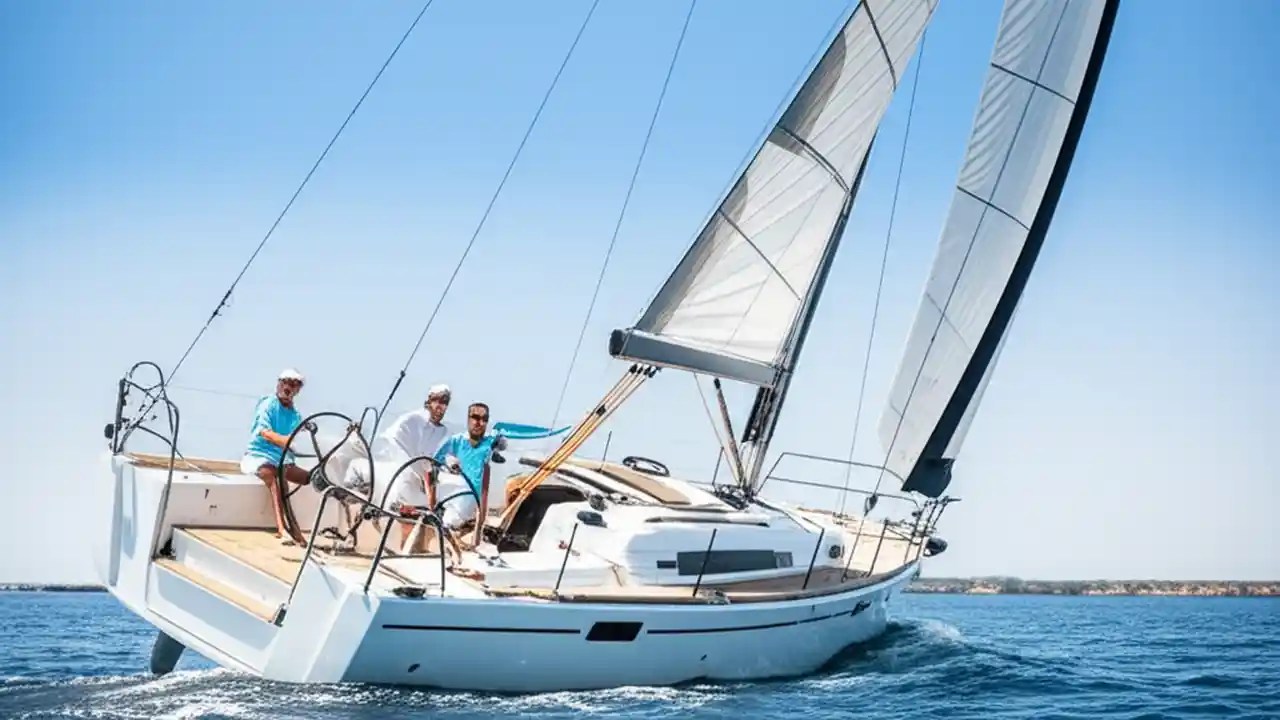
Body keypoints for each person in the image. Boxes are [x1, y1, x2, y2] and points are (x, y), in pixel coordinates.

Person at [341, 384, 455, 552]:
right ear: (429, 401)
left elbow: (434, 463)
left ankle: (405, 552)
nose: (440, 405)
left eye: (444, 401)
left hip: (419, 482)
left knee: (417, 515)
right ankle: (351, 534)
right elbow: (389, 442)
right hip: (397, 473)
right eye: (436, 400)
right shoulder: (412, 420)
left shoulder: (443, 433)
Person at [241, 368, 310, 545]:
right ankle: (285, 529)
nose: (288, 388)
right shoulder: (268, 404)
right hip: (259, 457)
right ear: (279, 384)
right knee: (277, 478)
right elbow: (264, 432)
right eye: (285, 383)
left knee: (312, 479)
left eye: (293, 385)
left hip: (284, 461)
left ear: (297, 390)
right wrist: (287, 441)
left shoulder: (296, 415)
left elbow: (300, 440)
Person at [433, 402, 507, 549]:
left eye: (484, 419)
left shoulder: (488, 443)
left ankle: (470, 546)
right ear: (468, 418)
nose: (479, 422)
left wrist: (500, 442)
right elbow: (435, 461)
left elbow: (503, 445)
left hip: (477, 496)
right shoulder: (456, 440)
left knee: (469, 526)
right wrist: (449, 463)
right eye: (475, 417)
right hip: (455, 496)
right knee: (448, 523)